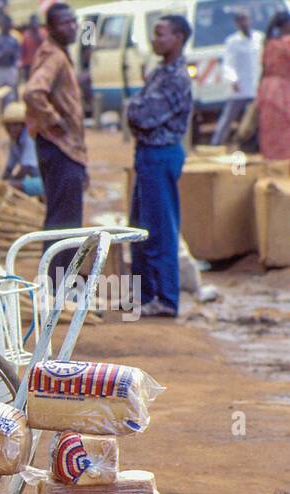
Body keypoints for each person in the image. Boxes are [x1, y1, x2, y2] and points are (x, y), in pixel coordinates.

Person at [128, 15, 193, 319]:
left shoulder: (175, 77)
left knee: (159, 229)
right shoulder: (160, 72)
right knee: (141, 227)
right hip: (148, 154)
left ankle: (166, 298)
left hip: (161, 154)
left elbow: (142, 115)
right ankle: (146, 295)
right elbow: (137, 110)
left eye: (161, 34)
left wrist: (133, 108)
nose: (155, 40)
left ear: (178, 38)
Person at [24, 2, 85, 287]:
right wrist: (53, 120)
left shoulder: (60, 53)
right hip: (60, 146)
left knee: (62, 217)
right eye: (64, 23)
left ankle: (58, 284)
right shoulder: (54, 55)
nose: (71, 27)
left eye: (73, 22)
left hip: (63, 147)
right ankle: (60, 287)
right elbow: (34, 91)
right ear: (50, 29)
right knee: (65, 221)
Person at [212, 12, 263, 146]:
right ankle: (216, 143)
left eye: (246, 19)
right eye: (241, 21)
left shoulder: (259, 38)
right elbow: (228, 64)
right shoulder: (232, 42)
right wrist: (233, 79)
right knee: (228, 117)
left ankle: (251, 144)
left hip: (256, 86)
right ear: (237, 24)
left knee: (254, 119)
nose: (244, 23)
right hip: (239, 86)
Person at [259, 12, 290, 159]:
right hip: (283, 90)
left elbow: (263, 69)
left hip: (267, 90)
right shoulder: (286, 43)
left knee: (270, 130)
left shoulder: (269, 43)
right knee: (284, 129)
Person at [1, 101, 42, 196]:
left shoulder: (29, 139)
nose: (12, 129)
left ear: (24, 125)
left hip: (46, 181)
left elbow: (26, 167)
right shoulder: (14, 141)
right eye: (9, 125)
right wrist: (0, 182)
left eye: (15, 125)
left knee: (14, 186)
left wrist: (9, 183)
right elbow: (9, 167)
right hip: (35, 178)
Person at [19, 14, 42, 82]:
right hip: (28, 66)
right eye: (33, 22)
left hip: (40, 65)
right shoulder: (26, 35)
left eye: (36, 22)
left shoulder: (42, 34)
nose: (35, 24)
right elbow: (22, 51)